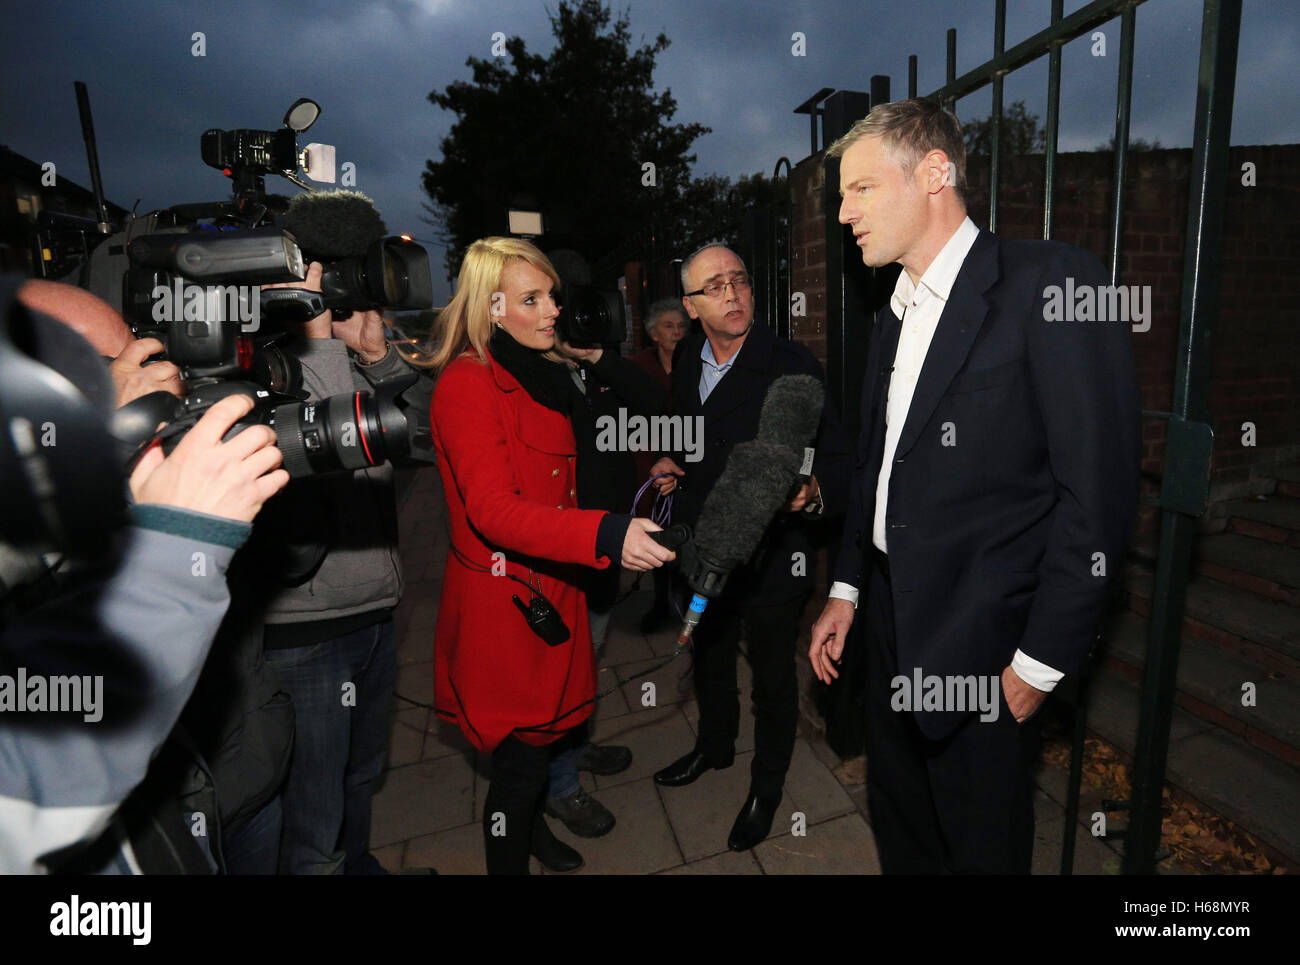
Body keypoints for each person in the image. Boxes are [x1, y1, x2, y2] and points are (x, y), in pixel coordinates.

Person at [807, 98, 1139, 874]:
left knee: (980, 839)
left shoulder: (1048, 283)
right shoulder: (891, 311)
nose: (844, 211)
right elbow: (875, 462)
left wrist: (1037, 667)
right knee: (905, 822)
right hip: (888, 618)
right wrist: (848, 589)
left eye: (860, 189)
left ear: (934, 173)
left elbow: (1098, 495)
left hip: (983, 637)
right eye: (841, 194)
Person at [0, 279, 289, 872]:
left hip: (221, 781)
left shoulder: (161, 473)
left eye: (142, 352)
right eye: (97, 368)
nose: (143, 378)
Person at [429, 237, 674, 874]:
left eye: (551, 298)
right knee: (514, 769)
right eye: (532, 299)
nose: (551, 312)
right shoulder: (467, 383)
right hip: (507, 605)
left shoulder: (537, 374)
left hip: (554, 588)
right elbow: (491, 511)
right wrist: (604, 535)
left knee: (544, 744)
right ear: (490, 307)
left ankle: (537, 832)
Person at [648, 244, 849, 852]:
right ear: (691, 305)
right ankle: (713, 746)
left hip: (770, 557)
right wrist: (671, 457)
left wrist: (813, 491)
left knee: (771, 680)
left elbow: (839, 460)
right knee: (707, 657)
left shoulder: (790, 365)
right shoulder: (686, 357)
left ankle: (766, 787)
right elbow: (688, 431)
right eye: (715, 286)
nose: (732, 295)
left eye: (739, 280)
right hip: (701, 546)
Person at [246, 261, 417, 875]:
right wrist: (315, 338)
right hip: (309, 632)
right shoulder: (268, 370)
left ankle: (360, 867)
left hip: (371, 610)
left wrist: (375, 357)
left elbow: (411, 433)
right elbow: (321, 445)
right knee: (313, 809)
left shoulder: (341, 368)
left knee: (360, 774)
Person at [628, 299, 689, 633]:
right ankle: (661, 603)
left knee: (686, 527)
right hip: (649, 459)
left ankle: (688, 600)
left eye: (681, 326)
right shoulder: (637, 366)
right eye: (669, 326)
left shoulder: (695, 361)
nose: (676, 332)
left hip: (688, 455)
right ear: (654, 333)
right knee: (657, 531)